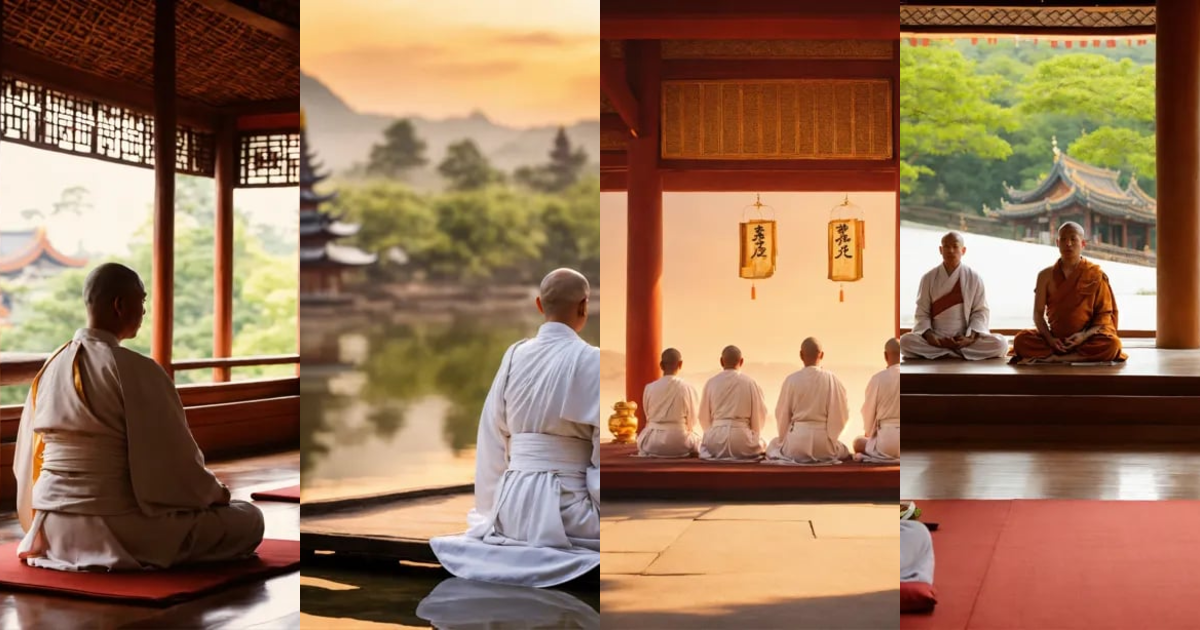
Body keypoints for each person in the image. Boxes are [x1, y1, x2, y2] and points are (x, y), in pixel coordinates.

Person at [14, 263, 264, 571]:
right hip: (120, 530)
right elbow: (174, 460)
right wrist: (214, 493)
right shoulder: (134, 368)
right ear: (120, 305)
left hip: (52, 527)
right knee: (249, 519)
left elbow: (28, 456)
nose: (144, 311)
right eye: (142, 301)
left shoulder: (49, 366)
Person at [430, 268, 599, 587]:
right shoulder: (591, 359)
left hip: (510, 509)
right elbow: (599, 455)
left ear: (539, 305)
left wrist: (491, 509)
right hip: (568, 513)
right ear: (584, 307)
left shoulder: (514, 355)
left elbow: (492, 438)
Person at [1011, 222, 1127, 364]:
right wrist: (1050, 339)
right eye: (1064, 240)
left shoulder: (1096, 274)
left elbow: (1103, 316)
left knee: (1112, 345)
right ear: (1057, 243)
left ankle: (1058, 359)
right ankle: (1066, 355)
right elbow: (1038, 314)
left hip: (1086, 338)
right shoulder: (1045, 276)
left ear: (1083, 243)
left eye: (1073, 239)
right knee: (1021, 340)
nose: (1068, 244)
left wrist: (1083, 336)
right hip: (1055, 338)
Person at [899, 231, 1008, 360]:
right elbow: (922, 311)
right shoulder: (928, 278)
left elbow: (980, 311)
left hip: (963, 338)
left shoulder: (974, 277)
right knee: (905, 341)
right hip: (937, 338)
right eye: (946, 246)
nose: (951, 251)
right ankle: (956, 354)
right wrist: (930, 336)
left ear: (963, 250)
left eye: (955, 246)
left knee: (1001, 344)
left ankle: (945, 353)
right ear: (940, 250)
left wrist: (970, 338)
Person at [764, 338, 851, 465]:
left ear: (801, 355)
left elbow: (782, 414)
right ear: (821, 355)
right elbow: (842, 414)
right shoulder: (832, 379)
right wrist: (832, 437)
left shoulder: (791, 380)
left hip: (796, 443)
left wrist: (784, 438)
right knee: (844, 450)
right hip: (824, 444)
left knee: (772, 445)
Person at [698, 345, 767, 461]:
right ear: (741, 361)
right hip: (742, 441)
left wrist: (712, 433)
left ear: (721, 361)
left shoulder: (711, 383)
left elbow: (702, 417)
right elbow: (760, 415)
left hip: (716, 441)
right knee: (765, 443)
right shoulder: (750, 383)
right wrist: (754, 435)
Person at [636, 348, 701, 458]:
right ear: (680, 364)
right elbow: (692, 420)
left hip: (652, 443)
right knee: (698, 438)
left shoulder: (649, 388)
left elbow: (648, 416)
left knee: (642, 438)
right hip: (680, 442)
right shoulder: (688, 388)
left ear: (661, 365)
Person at [854, 338, 901, 463]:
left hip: (886, 442)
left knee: (858, 442)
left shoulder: (877, 379)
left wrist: (869, 432)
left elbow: (868, 411)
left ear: (885, 355)